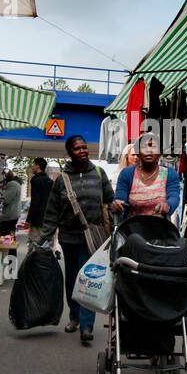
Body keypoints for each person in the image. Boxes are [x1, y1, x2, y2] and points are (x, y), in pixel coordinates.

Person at [37, 135, 112, 345]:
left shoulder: (99, 173)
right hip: (69, 237)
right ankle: (74, 317)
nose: (83, 151)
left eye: (85, 147)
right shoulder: (62, 179)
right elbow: (52, 211)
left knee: (88, 278)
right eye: (77, 148)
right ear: (70, 153)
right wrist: (45, 238)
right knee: (72, 278)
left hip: (92, 237)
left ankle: (87, 326)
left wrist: (116, 216)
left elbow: (110, 200)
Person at [111, 132, 180, 219]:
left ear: (160, 152)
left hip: (161, 229)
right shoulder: (127, 174)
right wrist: (117, 204)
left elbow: (174, 196)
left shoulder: (170, 174)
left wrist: (168, 205)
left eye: (153, 146)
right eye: (144, 147)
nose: (148, 150)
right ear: (138, 152)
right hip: (132, 229)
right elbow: (120, 197)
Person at [0, 168, 21, 256]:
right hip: (12, 215)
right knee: (11, 236)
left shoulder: (12, 184)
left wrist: (0, 193)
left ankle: (9, 257)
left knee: (7, 238)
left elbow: (6, 200)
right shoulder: (16, 184)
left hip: (8, 216)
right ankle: (11, 256)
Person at [27, 158, 53, 235]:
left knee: (35, 242)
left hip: (37, 220)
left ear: (37, 166)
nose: (32, 167)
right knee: (46, 244)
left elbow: (35, 202)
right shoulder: (50, 181)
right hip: (49, 219)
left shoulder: (36, 180)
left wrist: (28, 220)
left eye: (33, 165)